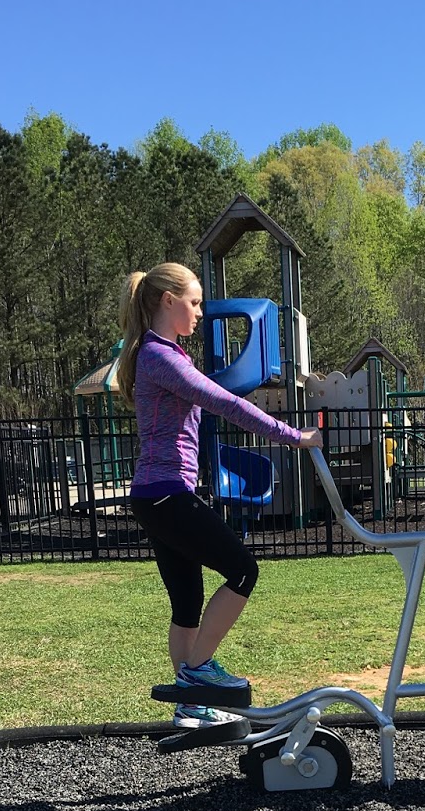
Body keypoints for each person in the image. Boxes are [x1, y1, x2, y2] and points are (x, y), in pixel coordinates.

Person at [117, 263, 322, 728]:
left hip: (157, 495)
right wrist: (294, 437)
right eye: (194, 302)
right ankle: (197, 674)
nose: (200, 311)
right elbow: (224, 402)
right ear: (167, 302)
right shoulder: (160, 357)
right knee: (243, 569)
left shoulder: (162, 354)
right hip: (166, 495)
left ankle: (190, 703)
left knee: (186, 606)